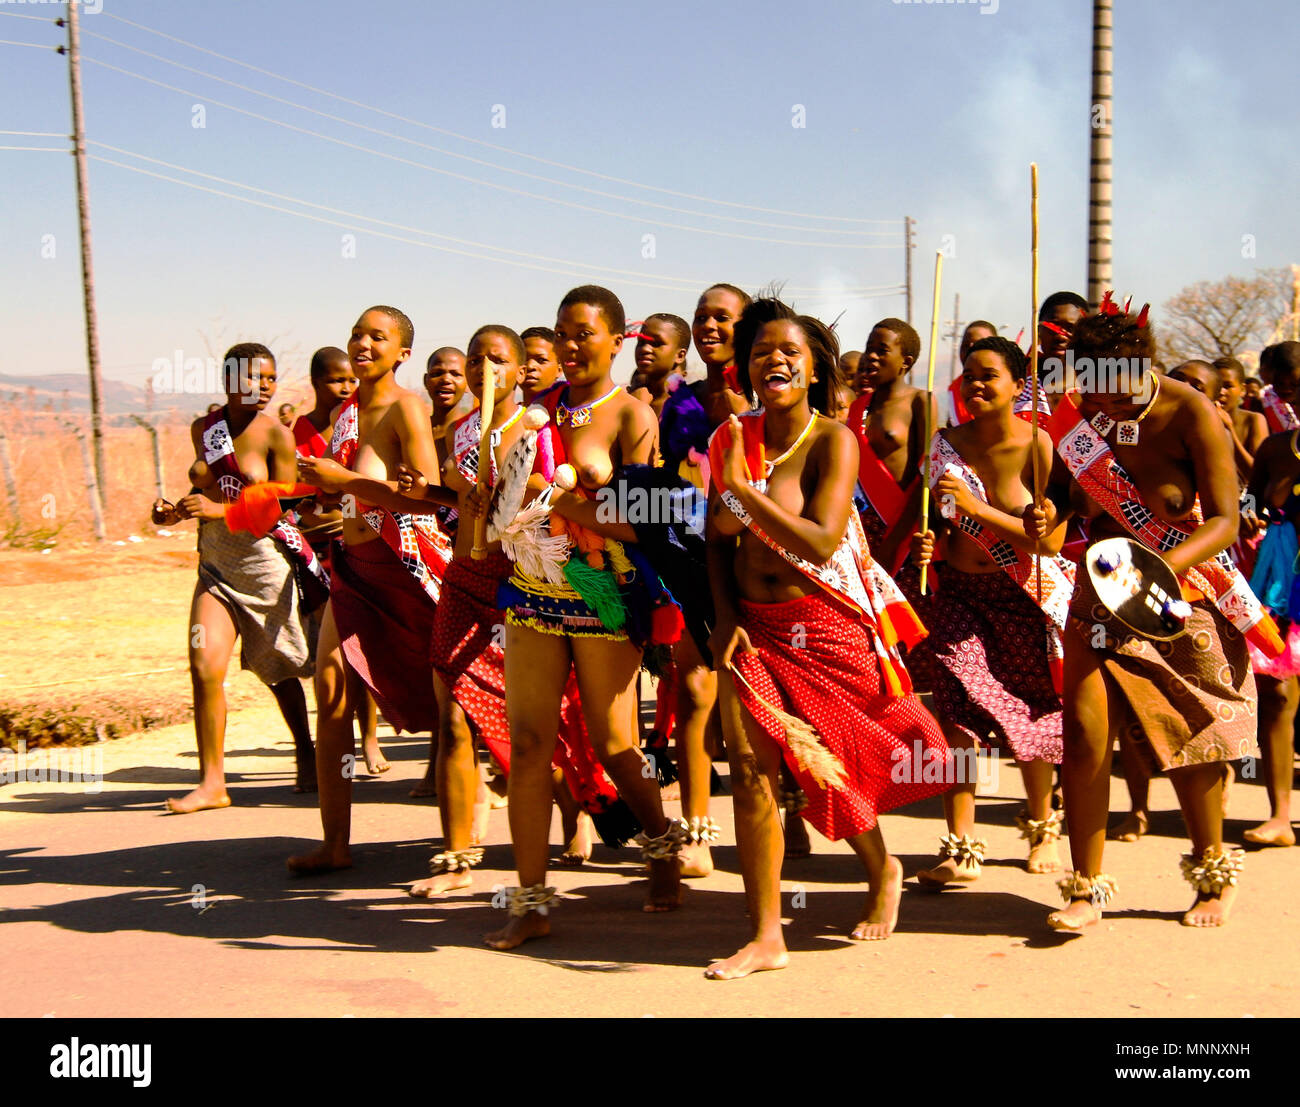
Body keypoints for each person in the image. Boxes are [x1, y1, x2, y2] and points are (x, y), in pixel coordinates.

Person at [703, 296, 951, 980]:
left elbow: (816, 536)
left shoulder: (832, 440)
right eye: (760, 353)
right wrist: (723, 620)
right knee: (753, 776)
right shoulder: (732, 439)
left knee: (828, 766)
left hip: (823, 621)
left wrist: (742, 496)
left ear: (812, 368)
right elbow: (713, 542)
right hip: (751, 629)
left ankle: (883, 867)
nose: (773, 361)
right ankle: (765, 934)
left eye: (788, 352)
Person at [1027, 295, 1281, 930]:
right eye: (1094, 392)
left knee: (1188, 741)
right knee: (1085, 738)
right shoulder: (1081, 416)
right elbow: (1060, 503)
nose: (1106, 407)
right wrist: (1046, 517)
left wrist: (1162, 571)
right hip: (1101, 589)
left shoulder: (1190, 411)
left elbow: (1225, 520)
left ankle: (1212, 872)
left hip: (1178, 591)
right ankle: (1085, 889)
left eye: (1118, 391)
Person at [486, 285, 686, 949]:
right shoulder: (531, 415)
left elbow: (648, 522)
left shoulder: (632, 415)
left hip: (602, 591)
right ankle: (532, 899)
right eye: (562, 334)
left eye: (585, 334)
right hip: (531, 590)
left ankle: (660, 846)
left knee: (614, 742)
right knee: (528, 744)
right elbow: (501, 506)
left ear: (616, 338)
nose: (571, 347)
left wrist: (568, 508)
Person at [288, 306, 453, 875]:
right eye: (357, 333)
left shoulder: (408, 407)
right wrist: (317, 495)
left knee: (458, 704)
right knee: (330, 697)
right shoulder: (347, 413)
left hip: (408, 571)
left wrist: (346, 483)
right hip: (354, 569)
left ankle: (469, 845)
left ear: (402, 351)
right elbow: (346, 493)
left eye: (377, 336)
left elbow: (426, 496)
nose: (362, 343)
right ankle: (335, 844)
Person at [911, 336, 1072, 885]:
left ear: (1015, 383)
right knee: (955, 716)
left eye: (990, 375)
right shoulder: (943, 444)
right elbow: (939, 517)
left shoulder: (1042, 448)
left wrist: (979, 509)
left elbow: (1048, 544)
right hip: (959, 594)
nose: (977, 385)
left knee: (1031, 713)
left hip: (1022, 595)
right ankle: (961, 847)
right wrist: (925, 547)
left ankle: (1043, 824)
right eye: (969, 375)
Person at [150, 343, 316, 810]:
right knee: (205, 668)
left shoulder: (277, 435)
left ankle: (306, 748)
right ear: (227, 380)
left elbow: (287, 505)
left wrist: (222, 510)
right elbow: (206, 485)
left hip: (264, 563)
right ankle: (212, 783)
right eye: (251, 379)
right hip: (216, 563)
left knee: (279, 669)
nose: (262, 388)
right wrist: (175, 511)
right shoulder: (206, 428)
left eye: (269, 379)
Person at [291, 347, 385, 776]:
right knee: (327, 656)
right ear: (315, 382)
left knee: (357, 648)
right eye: (335, 380)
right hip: (314, 550)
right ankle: (324, 754)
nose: (346, 387)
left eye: (349, 380)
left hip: (352, 542)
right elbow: (296, 487)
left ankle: (368, 739)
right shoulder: (302, 430)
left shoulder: (362, 424)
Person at [1241, 427, 1300, 846]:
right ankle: (1279, 816)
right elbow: (1251, 496)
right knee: (1276, 694)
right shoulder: (1277, 447)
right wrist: (1248, 510)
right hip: (1280, 582)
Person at [630, 313, 689, 422]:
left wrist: (639, 411)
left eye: (656, 343)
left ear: (680, 356)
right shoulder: (629, 398)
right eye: (641, 342)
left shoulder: (684, 408)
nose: (644, 349)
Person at [1216, 357, 1268, 480]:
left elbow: (1257, 475)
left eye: (1228, 386)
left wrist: (1229, 430)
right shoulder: (1198, 420)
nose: (1221, 392)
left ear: (1242, 390)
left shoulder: (1254, 420)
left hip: (1247, 497)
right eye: (1217, 385)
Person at [944, 320, 997, 427]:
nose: (971, 351)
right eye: (965, 346)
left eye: (979, 344)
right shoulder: (954, 389)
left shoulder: (1011, 385)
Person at [424, 347, 469, 472]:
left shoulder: (472, 433)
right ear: (425, 381)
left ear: (468, 383)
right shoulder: (414, 428)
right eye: (437, 373)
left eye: (456, 374)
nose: (446, 380)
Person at [520, 326, 562, 405]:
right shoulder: (497, 415)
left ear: (559, 370)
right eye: (523, 359)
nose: (530, 366)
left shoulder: (573, 415)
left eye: (541, 360)